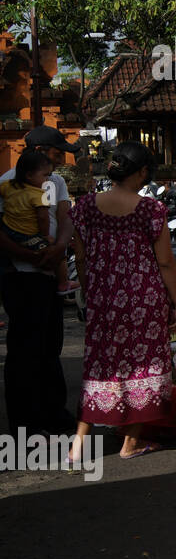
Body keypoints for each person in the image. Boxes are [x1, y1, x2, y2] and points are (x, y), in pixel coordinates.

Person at [66, 143, 176, 465]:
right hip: (143, 301)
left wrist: (91, 290)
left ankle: (77, 447)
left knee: (99, 366)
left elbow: (79, 257)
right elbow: (165, 263)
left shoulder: (85, 207)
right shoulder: (151, 209)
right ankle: (129, 444)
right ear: (143, 172)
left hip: (104, 300)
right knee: (144, 367)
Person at [0, 126, 80, 436]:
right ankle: (25, 422)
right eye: (56, 153)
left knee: (49, 345)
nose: (61, 160)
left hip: (48, 271)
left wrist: (60, 246)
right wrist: (27, 254)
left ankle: (52, 413)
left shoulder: (55, 181)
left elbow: (64, 217)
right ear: (39, 152)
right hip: (19, 275)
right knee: (24, 349)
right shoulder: (6, 184)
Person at [0, 150, 54, 254]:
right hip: (27, 235)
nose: (47, 179)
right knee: (51, 253)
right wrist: (46, 235)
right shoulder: (39, 194)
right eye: (45, 175)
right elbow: (43, 217)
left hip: (7, 229)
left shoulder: (8, 186)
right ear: (29, 175)